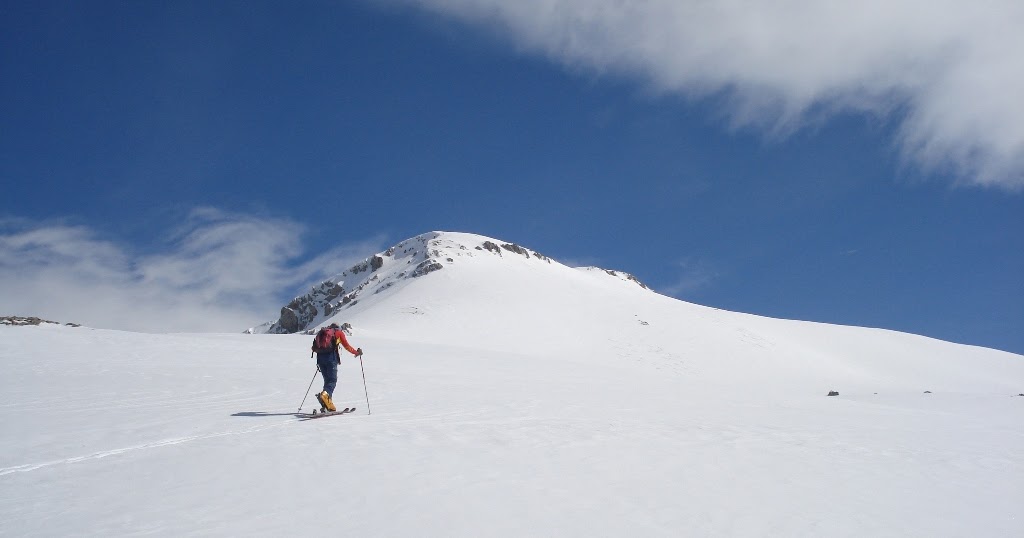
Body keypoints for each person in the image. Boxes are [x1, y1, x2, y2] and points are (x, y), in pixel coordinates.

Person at [312, 322, 362, 412]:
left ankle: (327, 404)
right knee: (332, 380)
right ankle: (325, 396)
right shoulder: (338, 333)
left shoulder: (323, 332)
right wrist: (356, 352)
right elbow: (346, 346)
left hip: (320, 359)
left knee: (327, 381)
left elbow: (314, 347)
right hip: (331, 358)